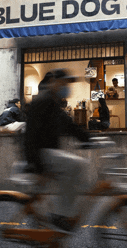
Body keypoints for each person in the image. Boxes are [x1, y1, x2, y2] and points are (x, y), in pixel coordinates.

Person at [24, 68, 91, 232]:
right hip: (41, 154)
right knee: (76, 165)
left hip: (46, 153)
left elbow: (68, 125)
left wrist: (88, 139)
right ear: (54, 81)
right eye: (63, 82)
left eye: (68, 83)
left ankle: (56, 215)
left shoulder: (52, 101)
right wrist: (36, 166)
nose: (66, 86)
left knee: (71, 170)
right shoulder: (44, 100)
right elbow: (29, 135)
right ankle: (60, 215)